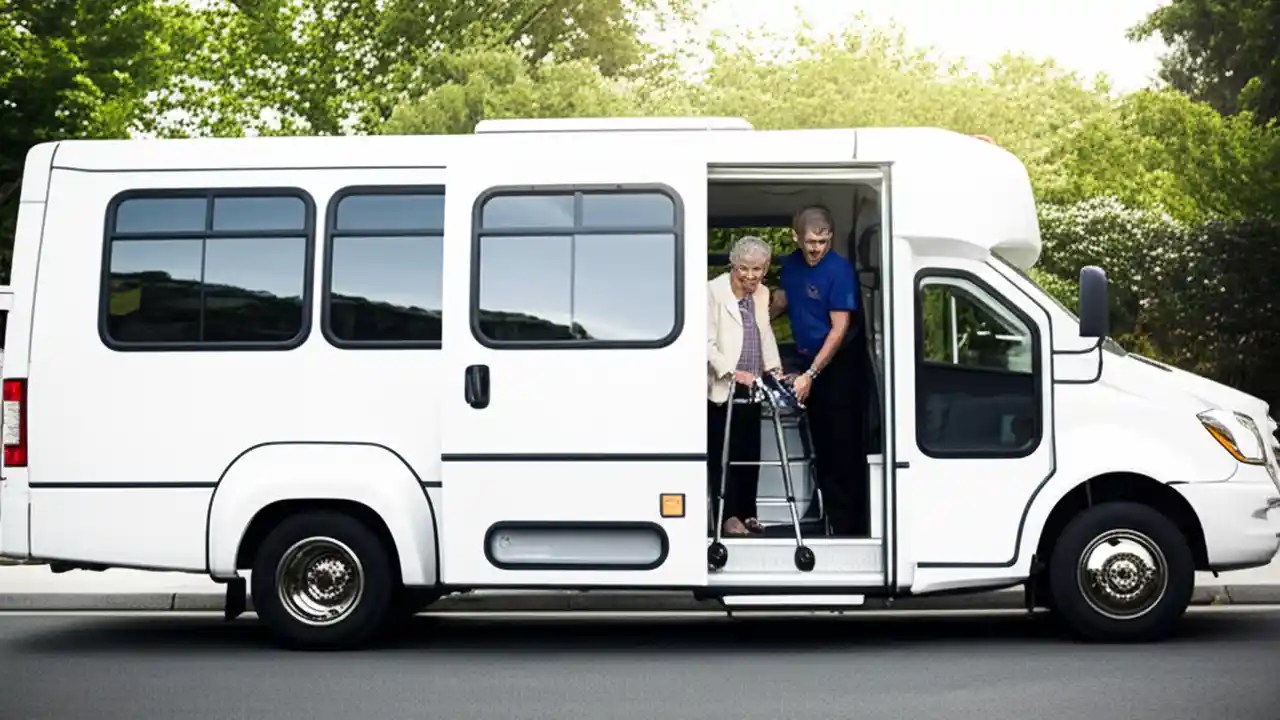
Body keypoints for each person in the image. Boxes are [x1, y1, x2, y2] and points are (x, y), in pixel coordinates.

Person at [770, 205, 867, 536]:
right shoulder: (793, 266)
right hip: (807, 359)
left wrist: (810, 374)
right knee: (818, 443)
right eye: (811, 241)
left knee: (840, 448)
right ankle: (819, 512)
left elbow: (839, 328)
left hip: (837, 365)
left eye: (823, 242)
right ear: (797, 237)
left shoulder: (839, 272)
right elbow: (785, 303)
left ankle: (846, 530)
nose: (816, 249)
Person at [707, 235, 784, 536]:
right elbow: (706, 343)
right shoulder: (713, 291)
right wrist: (732, 371)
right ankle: (727, 517)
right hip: (724, 384)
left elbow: (764, 335)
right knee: (723, 454)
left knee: (750, 451)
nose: (750, 276)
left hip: (753, 384)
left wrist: (775, 370)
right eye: (744, 269)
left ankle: (748, 513)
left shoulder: (762, 294)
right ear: (732, 265)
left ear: (765, 269)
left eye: (757, 270)